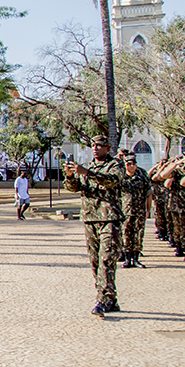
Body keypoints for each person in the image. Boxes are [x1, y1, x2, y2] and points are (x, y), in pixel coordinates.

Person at [63, 135, 124, 318]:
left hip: (109, 218)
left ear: (107, 147)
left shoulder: (115, 165)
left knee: (106, 259)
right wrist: (71, 176)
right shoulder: (87, 166)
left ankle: (102, 299)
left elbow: (112, 181)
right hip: (90, 218)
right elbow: (75, 188)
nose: (95, 148)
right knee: (96, 262)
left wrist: (87, 173)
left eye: (99, 145)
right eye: (93, 145)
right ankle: (110, 298)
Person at [119, 154, 151, 268]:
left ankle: (136, 259)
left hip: (139, 211)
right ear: (125, 165)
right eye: (129, 164)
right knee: (126, 235)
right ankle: (127, 259)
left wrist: (148, 210)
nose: (132, 166)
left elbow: (148, 193)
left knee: (138, 235)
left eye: (134, 164)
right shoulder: (120, 178)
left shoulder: (142, 177)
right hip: (125, 212)